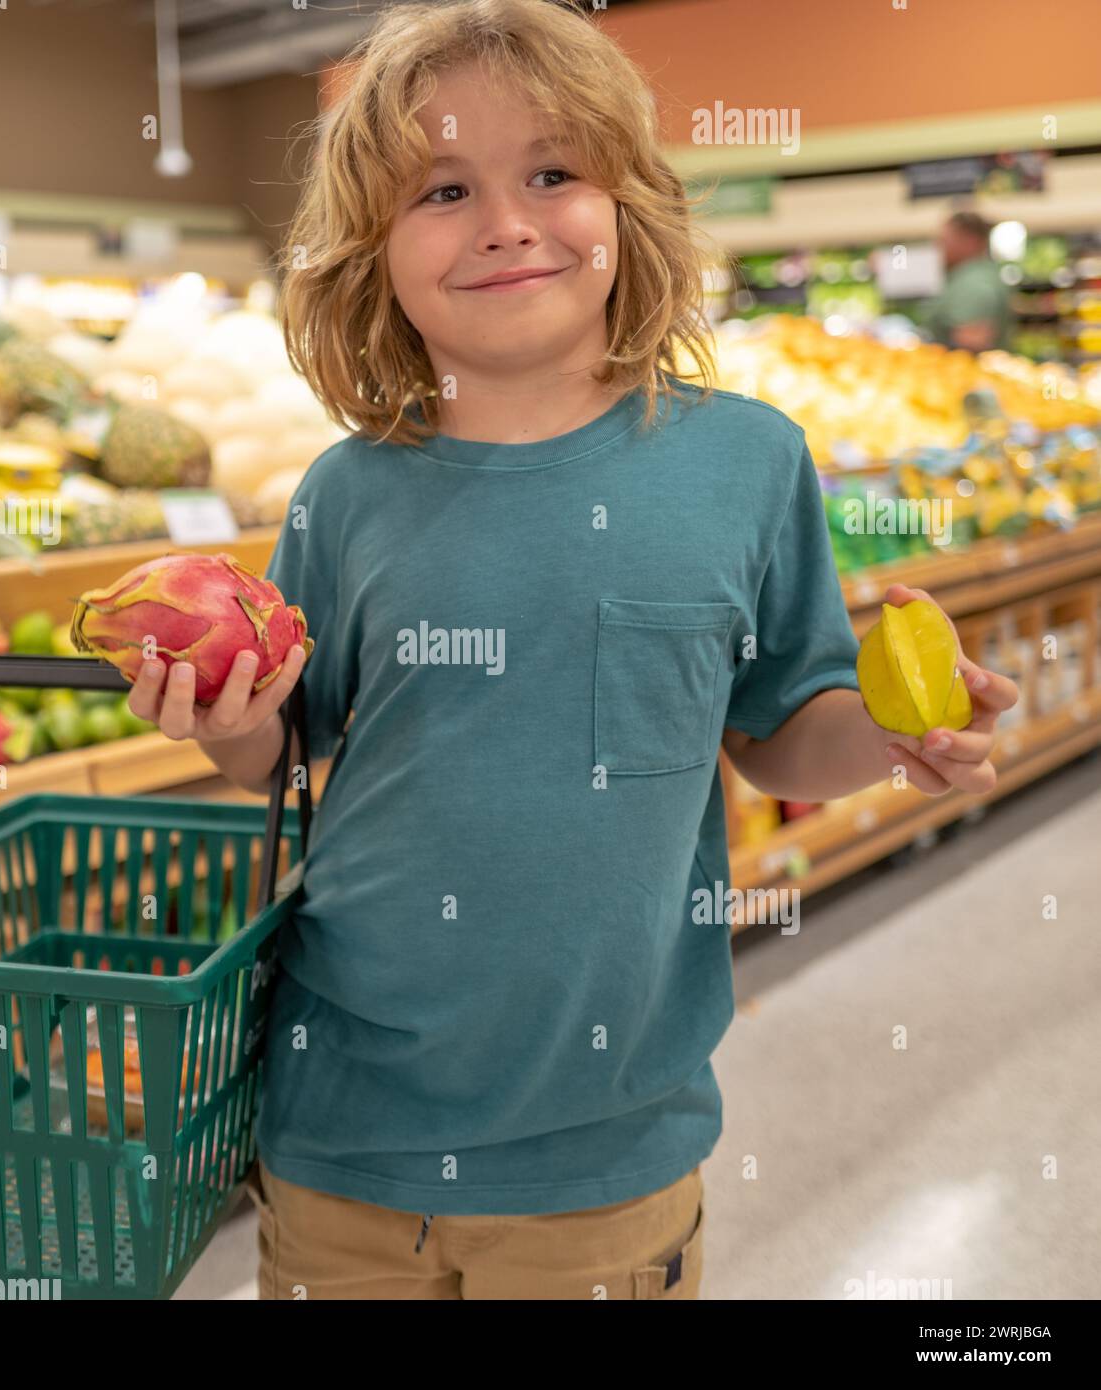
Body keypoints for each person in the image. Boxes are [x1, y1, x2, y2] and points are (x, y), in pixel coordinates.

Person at [127, 0, 1019, 1299]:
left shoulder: (744, 461)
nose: (504, 219)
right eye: (443, 188)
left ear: (631, 209)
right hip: (344, 1133)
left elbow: (783, 726)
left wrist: (890, 737)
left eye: (553, 171)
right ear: (373, 250)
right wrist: (221, 720)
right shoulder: (345, 491)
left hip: (604, 1155)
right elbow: (283, 745)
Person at [923, 210, 1014, 352]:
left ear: (969, 241)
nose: (937, 246)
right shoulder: (976, 275)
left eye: (944, 240)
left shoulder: (974, 283)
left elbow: (973, 344)